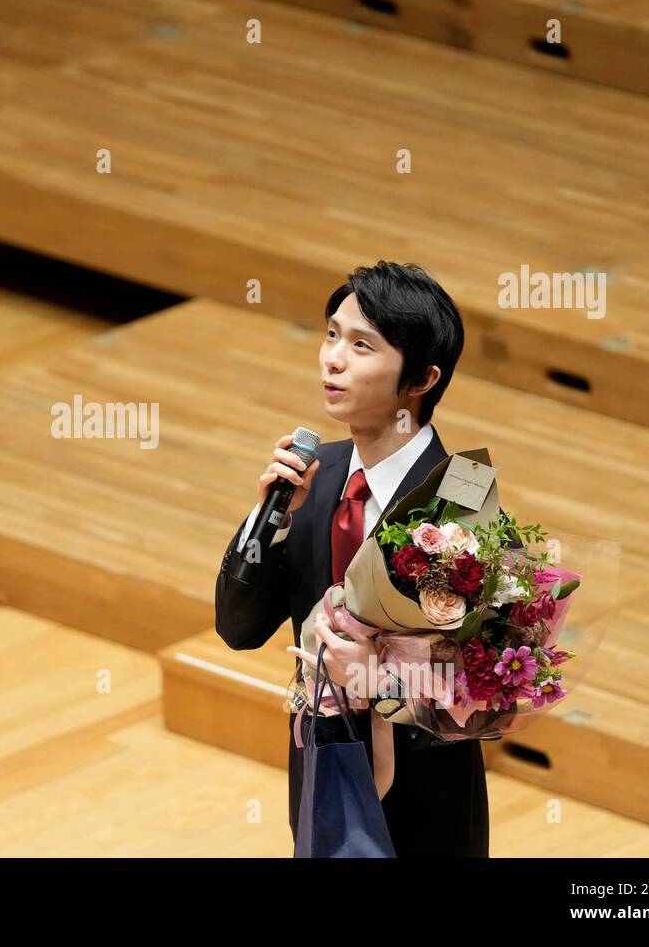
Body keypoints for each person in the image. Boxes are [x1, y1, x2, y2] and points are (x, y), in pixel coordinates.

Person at [214, 260, 490, 857]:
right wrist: (269, 522)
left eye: (361, 346)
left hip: (426, 803)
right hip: (319, 769)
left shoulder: (464, 495)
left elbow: (483, 692)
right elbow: (237, 629)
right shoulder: (317, 475)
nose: (331, 359)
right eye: (332, 334)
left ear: (420, 380)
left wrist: (375, 680)